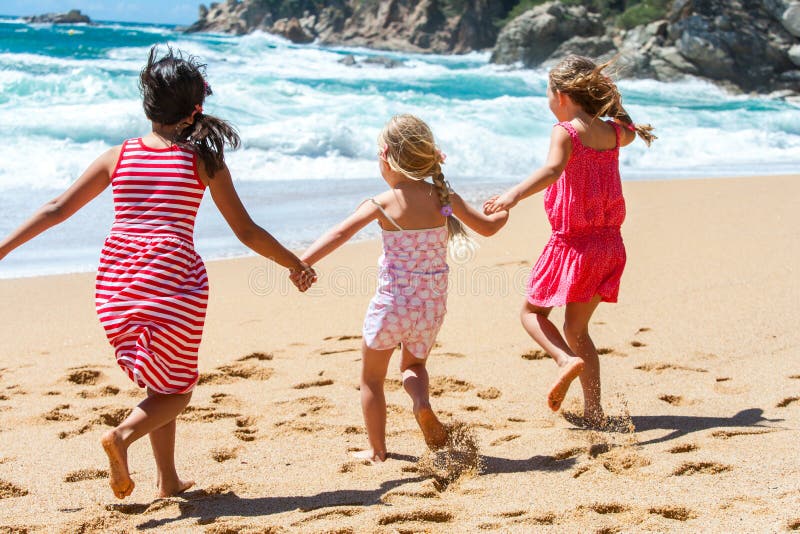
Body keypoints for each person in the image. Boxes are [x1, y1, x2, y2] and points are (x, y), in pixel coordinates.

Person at [0, 46, 315, 499]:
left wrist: (5, 248)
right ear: (195, 110)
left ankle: (168, 481)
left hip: (118, 279)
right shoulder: (203, 161)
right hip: (174, 280)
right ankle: (121, 436)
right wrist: (294, 263)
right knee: (179, 390)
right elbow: (246, 231)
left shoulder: (118, 156)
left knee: (160, 381)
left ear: (147, 105)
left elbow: (56, 209)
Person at [300, 114, 508, 462]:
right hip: (431, 308)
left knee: (371, 379)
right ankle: (421, 403)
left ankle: (377, 450)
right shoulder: (443, 196)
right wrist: (503, 211)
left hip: (392, 306)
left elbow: (340, 233)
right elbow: (487, 227)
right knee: (414, 366)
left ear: (386, 156)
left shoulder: (382, 203)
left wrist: (302, 263)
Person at [484, 55, 655, 427]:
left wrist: (512, 195)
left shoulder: (566, 131)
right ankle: (594, 411)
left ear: (561, 95)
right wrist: (616, 105)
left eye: (548, 92)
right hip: (609, 246)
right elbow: (627, 128)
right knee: (577, 330)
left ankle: (564, 360)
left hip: (573, 244)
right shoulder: (612, 132)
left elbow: (552, 169)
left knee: (531, 313)